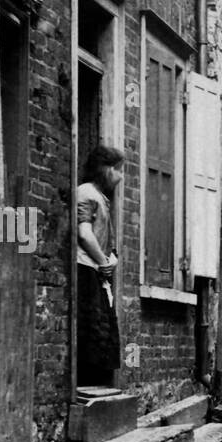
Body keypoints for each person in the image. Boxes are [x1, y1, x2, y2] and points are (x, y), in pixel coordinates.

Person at [76, 145, 124, 386]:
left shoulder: (101, 198)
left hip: (97, 273)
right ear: (105, 169)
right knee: (91, 333)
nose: (120, 176)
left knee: (103, 334)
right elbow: (84, 234)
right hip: (85, 270)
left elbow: (107, 240)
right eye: (117, 170)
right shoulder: (85, 192)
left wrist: (111, 260)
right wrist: (103, 261)